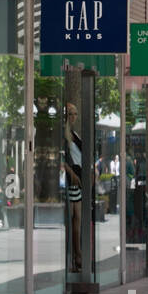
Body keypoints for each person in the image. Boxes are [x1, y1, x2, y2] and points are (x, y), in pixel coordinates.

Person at [63, 103, 85, 271]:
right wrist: (72, 174)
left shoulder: (74, 134)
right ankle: (74, 256)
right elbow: (62, 159)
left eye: (75, 113)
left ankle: (78, 254)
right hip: (72, 179)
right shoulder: (64, 135)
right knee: (73, 219)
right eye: (71, 113)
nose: (73, 116)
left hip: (78, 179)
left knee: (78, 219)